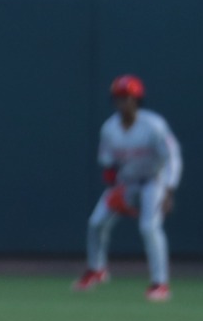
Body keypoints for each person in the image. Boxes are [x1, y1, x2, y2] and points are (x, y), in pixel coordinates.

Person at [73, 74, 182, 302]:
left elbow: (173, 158)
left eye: (127, 97)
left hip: (153, 182)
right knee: (96, 223)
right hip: (127, 183)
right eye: (118, 98)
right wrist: (113, 182)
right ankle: (96, 269)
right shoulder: (109, 128)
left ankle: (160, 284)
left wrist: (169, 192)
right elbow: (107, 161)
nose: (122, 103)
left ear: (137, 100)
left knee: (149, 228)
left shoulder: (154, 126)